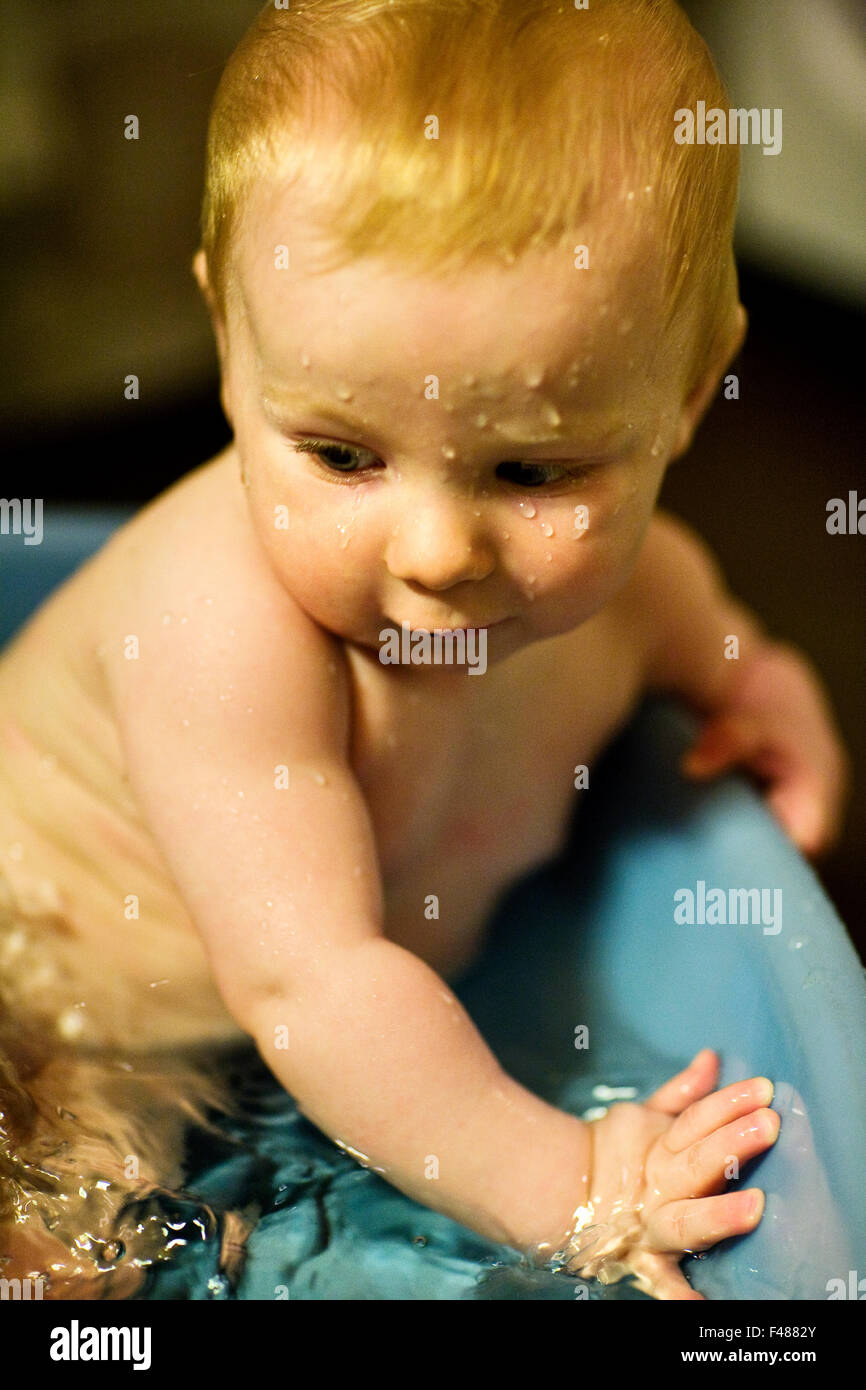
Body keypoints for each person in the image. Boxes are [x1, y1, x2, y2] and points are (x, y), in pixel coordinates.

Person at [0, 0, 848, 1300]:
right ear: (227, 348)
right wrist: (571, 1185)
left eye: (530, 467)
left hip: (203, 1035)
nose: (439, 549)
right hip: (45, 981)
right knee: (63, 1262)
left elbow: (726, 652)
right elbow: (317, 982)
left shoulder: (648, 586)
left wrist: (767, 697)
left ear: (689, 390)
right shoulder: (220, 626)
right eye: (341, 453)